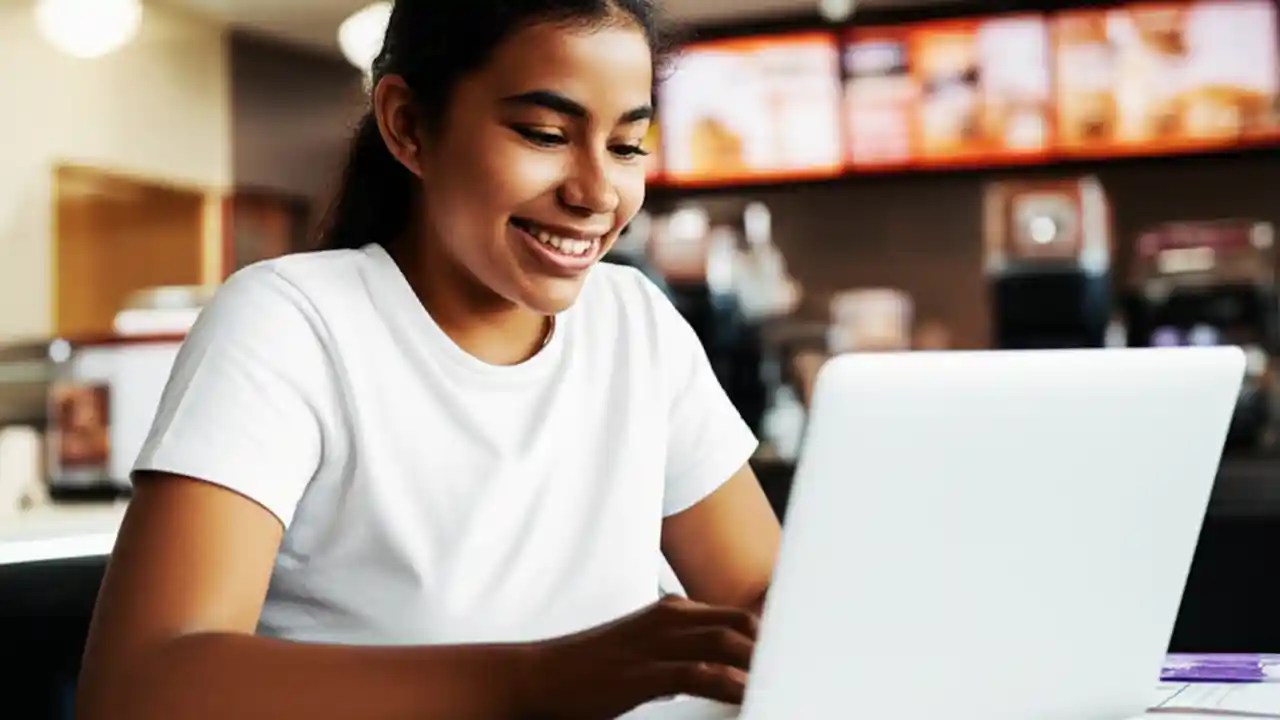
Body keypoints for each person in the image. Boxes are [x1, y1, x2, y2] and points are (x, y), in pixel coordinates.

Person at [75, 1, 782, 718]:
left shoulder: (635, 322)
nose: (597, 193)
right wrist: (545, 680)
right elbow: (141, 686)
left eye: (628, 146)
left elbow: (768, 601)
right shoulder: (293, 322)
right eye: (545, 134)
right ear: (408, 126)